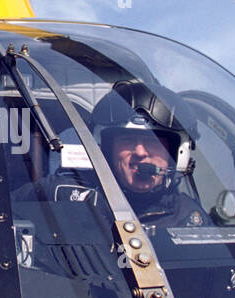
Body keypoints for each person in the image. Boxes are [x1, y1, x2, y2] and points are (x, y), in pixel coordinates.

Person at [17, 82, 208, 228]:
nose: (140, 152)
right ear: (105, 150)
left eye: (153, 142)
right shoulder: (61, 194)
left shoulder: (188, 218)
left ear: (177, 155)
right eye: (128, 141)